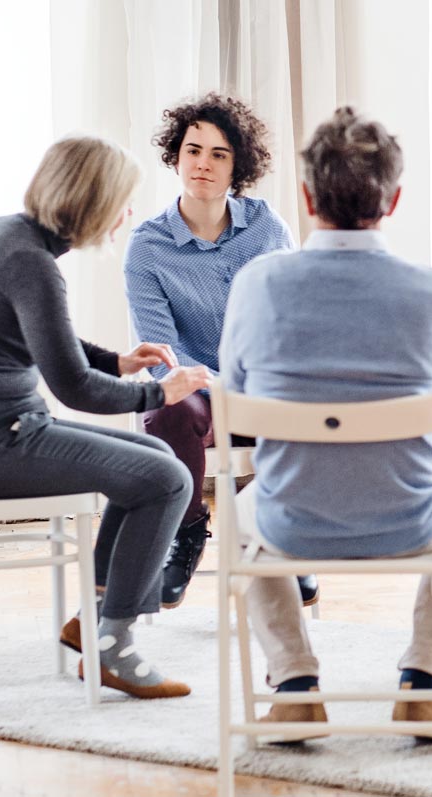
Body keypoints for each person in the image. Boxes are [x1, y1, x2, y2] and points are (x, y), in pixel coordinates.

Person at [217, 107, 432, 738]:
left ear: (308, 197)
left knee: (233, 516)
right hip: (411, 518)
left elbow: (234, 397)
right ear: (393, 201)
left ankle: (294, 681)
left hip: (292, 519)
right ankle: (424, 678)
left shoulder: (257, 283)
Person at [0, 135, 213, 699]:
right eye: (122, 201)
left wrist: (120, 362)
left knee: (157, 459)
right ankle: (115, 647)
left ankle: (98, 617)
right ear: (93, 200)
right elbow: (73, 387)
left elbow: (46, 340)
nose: (128, 215)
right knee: (169, 478)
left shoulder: (7, 235)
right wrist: (161, 395)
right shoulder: (31, 263)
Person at [123, 92, 314, 610]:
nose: (203, 164)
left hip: (262, 387)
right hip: (197, 391)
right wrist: (211, 382)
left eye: (219, 154)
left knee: (301, 397)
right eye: (193, 150)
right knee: (165, 404)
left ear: (238, 167)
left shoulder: (267, 229)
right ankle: (187, 534)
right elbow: (161, 352)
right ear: (176, 156)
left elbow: (289, 327)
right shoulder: (147, 247)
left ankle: (285, 539)